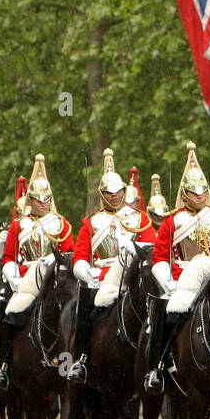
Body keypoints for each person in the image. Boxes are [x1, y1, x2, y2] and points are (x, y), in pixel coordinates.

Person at [146, 143, 210, 391]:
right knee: (165, 311)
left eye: (203, 192)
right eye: (194, 192)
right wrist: (168, 281)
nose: (200, 196)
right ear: (185, 193)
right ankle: (157, 368)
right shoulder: (172, 221)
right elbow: (159, 258)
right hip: (182, 280)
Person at [69, 149, 155, 384]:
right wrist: (87, 272)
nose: (115, 196)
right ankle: (83, 359)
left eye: (119, 192)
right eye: (110, 192)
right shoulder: (91, 222)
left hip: (132, 274)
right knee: (83, 305)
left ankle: (160, 363)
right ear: (102, 194)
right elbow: (79, 257)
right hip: (102, 279)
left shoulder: (139, 219)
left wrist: (135, 248)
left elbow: (153, 245)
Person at [0, 155, 74, 389]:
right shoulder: (19, 225)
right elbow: (8, 257)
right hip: (26, 281)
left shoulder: (62, 224)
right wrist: (14, 278)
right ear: (30, 200)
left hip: (53, 280)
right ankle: (4, 367)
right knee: (9, 312)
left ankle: (75, 364)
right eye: (38, 199)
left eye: (46, 199)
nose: (43, 203)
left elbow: (68, 255)